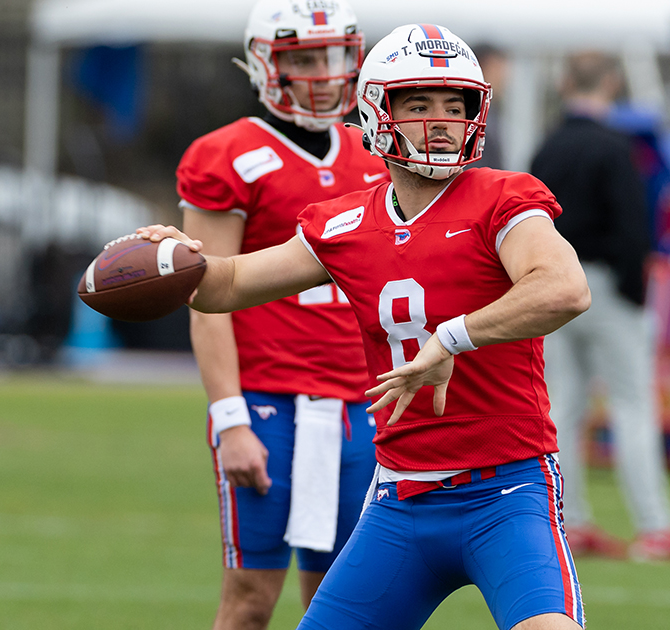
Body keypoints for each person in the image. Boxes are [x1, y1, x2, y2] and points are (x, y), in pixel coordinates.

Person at [142, 24, 591, 630]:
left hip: (505, 493)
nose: (441, 121)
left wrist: (453, 336)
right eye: (420, 104)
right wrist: (176, 258)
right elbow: (227, 284)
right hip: (400, 501)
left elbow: (565, 288)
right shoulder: (345, 223)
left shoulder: (502, 198)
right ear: (379, 113)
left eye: (455, 105)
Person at [174, 1, 381, 627]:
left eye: (336, 56)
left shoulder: (374, 152)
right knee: (249, 599)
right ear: (265, 64)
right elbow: (205, 298)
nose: (325, 72)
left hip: (357, 405)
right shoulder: (227, 155)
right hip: (269, 402)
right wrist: (230, 417)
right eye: (306, 59)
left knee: (341, 603)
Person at [530, 52, 670, 562]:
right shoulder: (616, 147)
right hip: (609, 285)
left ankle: (570, 520)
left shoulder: (546, 147)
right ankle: (655, 529)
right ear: (611, 82)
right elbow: (635, 227)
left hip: (551, 287)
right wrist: (637, 295)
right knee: (633, 405)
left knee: (563, 407)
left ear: (565, 81)